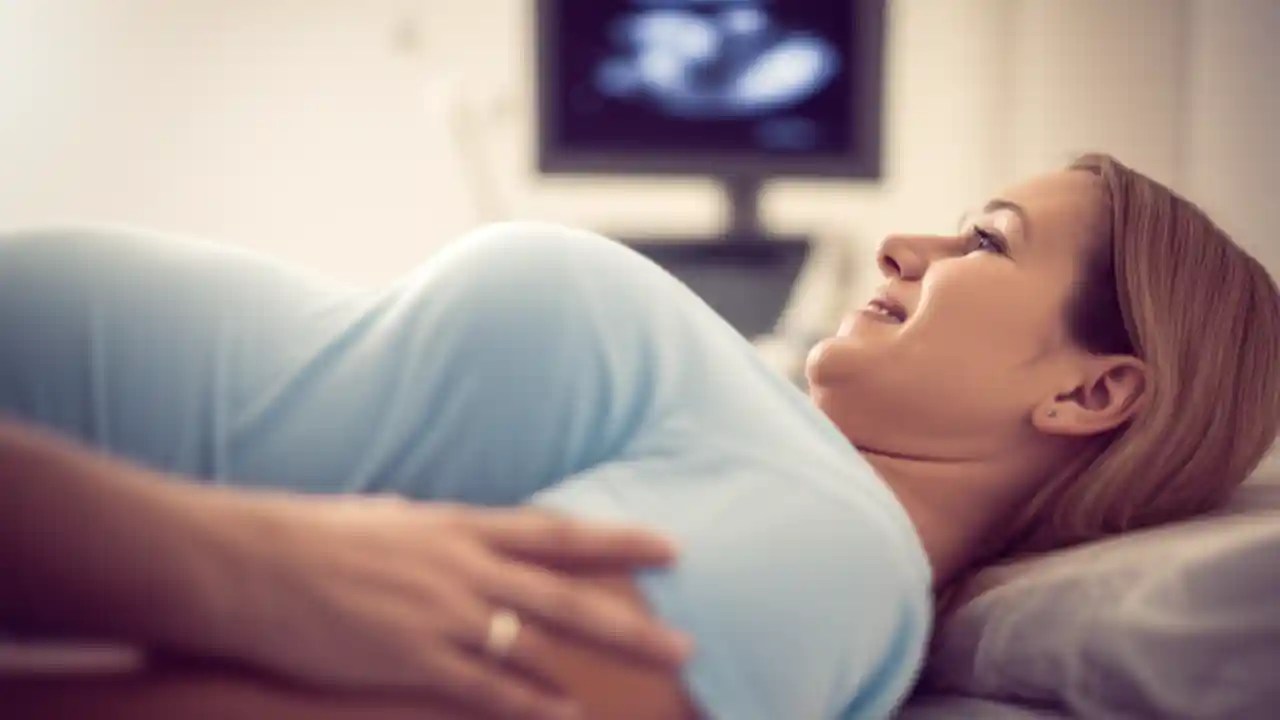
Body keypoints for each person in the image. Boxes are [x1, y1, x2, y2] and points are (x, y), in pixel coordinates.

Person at [1, 154, 1277, 719]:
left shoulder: (822, 558)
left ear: (1090, 396)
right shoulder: (782, 449)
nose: (904, 246)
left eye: (985, 241)